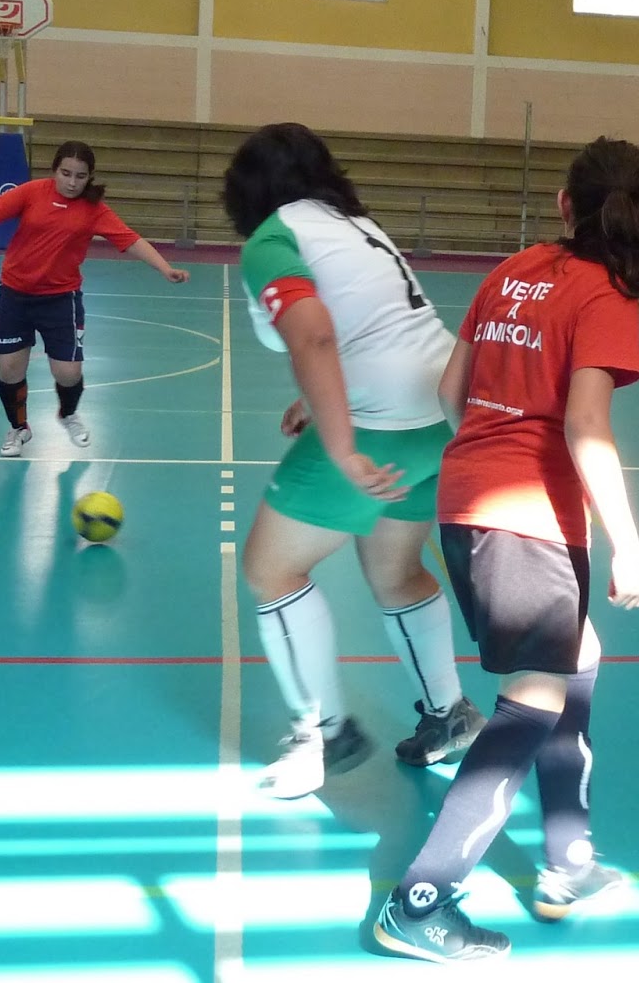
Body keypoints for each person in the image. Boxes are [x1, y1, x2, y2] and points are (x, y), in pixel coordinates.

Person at [372, 137, 639, 963]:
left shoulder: (513, 268)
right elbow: (586, 425)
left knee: (578, 662)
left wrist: (493, 452)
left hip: (472, 495)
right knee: (534, 696)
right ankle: (421, 899)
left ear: (566, 206)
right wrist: (629, 548)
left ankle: (569, 860)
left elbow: (450, 393)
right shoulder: (607, 293)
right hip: (524, 512)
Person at [223, 122, 485, 801]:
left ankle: (323, 732)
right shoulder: (353, 223)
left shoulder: (272, 239)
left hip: (382, 424)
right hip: (444, 410)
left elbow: (314, 332)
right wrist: (318, 402)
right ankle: (448, 714)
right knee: (397, 572)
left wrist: (340, 444)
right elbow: (378, 322)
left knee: (270, 567)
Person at [0, 141, 188, 455]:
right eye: (65, 173)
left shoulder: (94, 209)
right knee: (10, 370)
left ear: (89, 177)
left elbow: (131, 240)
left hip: (60, 299)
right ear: (54, 170)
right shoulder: (32, 192)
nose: (71, 182)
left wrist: (165, 268)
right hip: (16, 294)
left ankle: (68, 414)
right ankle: (18, 428)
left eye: (80, 176)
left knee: (69, 373)